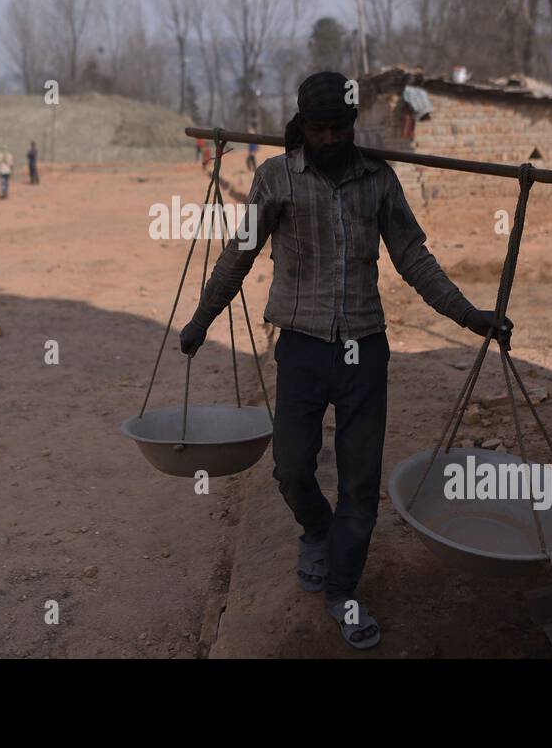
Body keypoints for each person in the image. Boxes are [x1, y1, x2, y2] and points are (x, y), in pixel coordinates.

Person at [179, 70, 512, 651]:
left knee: (360, 483)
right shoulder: (276, 178)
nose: (329, 139)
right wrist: (202, 319)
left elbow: (414, 257)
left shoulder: (377, 180)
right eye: (318, 128)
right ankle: (316, 529)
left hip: (365, 351)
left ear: (353, 127)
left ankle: (343, 589)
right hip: (302, 349)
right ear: (301, 126)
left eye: (339, 129)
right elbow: (240, 255)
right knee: (290, 468)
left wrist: (468, 315)